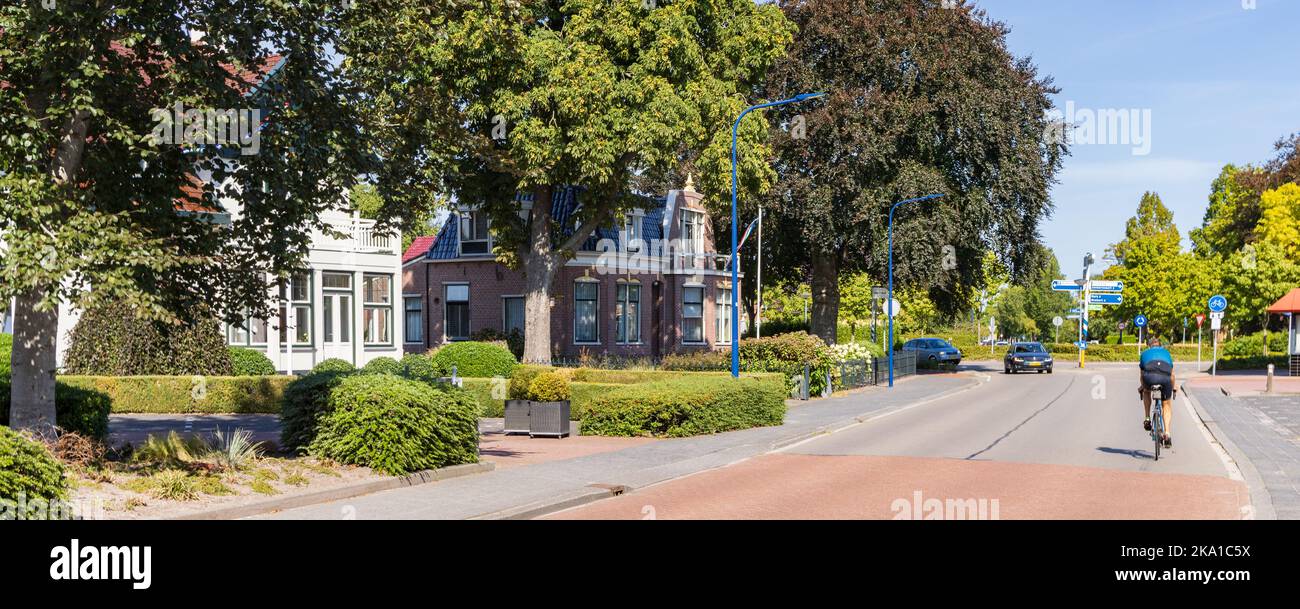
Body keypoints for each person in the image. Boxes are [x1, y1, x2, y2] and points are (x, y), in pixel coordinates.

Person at [1138, 336, 1176, 448]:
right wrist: (1173, 386)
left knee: (1146, 391)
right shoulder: (1166, 353)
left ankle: (1147, 418)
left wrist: (1142, 387)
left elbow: (1142, 374)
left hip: (1149, 378)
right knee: (1166, 404)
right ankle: (1167, 433)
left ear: (1149, 346)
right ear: (1160, 346)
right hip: (1165, 378)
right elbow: (1172, 374)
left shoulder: (1145, 353)